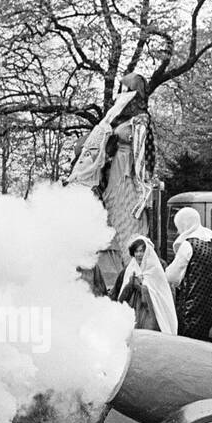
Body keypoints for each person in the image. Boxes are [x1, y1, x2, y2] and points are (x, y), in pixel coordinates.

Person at [66, 73, 159, 290]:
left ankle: (134, 274)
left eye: (128, 90)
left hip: (128, 174)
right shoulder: (116, 118)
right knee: (114, 223)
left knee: (127, 224)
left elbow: (144, 154)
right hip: (115, 173)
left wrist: (144, 183)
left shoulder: (141, 119)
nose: (122, 95)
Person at [165, 206, 212, 341]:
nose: (178, 230)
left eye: (179, 226)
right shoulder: (211, 243)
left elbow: (172, 276)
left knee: (187, 346)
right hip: (208, 306)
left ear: (185, 224)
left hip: (189, 307)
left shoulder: (188, 245)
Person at [114, 235, 178, 334]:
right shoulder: (129, 269)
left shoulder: (155, 269)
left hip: (150, 314)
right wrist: (131, 283)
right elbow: (122, 295)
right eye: (136, 251)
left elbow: (160, 295)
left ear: (147, 252)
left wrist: (140, 286)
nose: (139, 254)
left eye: (141, 251)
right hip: (132, 312)